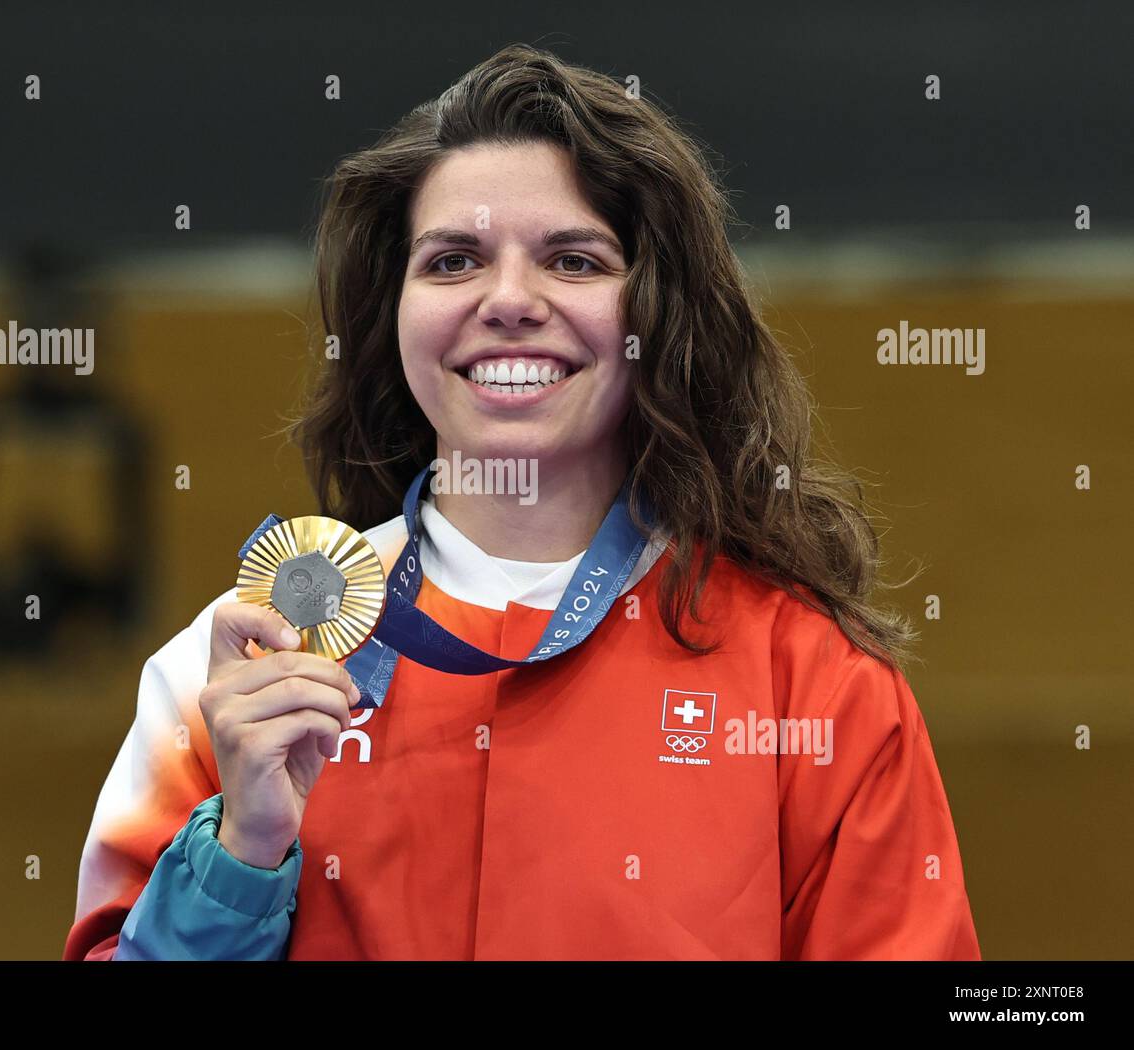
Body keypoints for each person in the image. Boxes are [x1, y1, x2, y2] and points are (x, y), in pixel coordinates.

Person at [64, 43, 980, 961]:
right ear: (396, 314)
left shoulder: (810, 685)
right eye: (454, 260)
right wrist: (240, 857)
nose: (508, 300)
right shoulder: (243, 669)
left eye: (574, 261)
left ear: (656, 313)